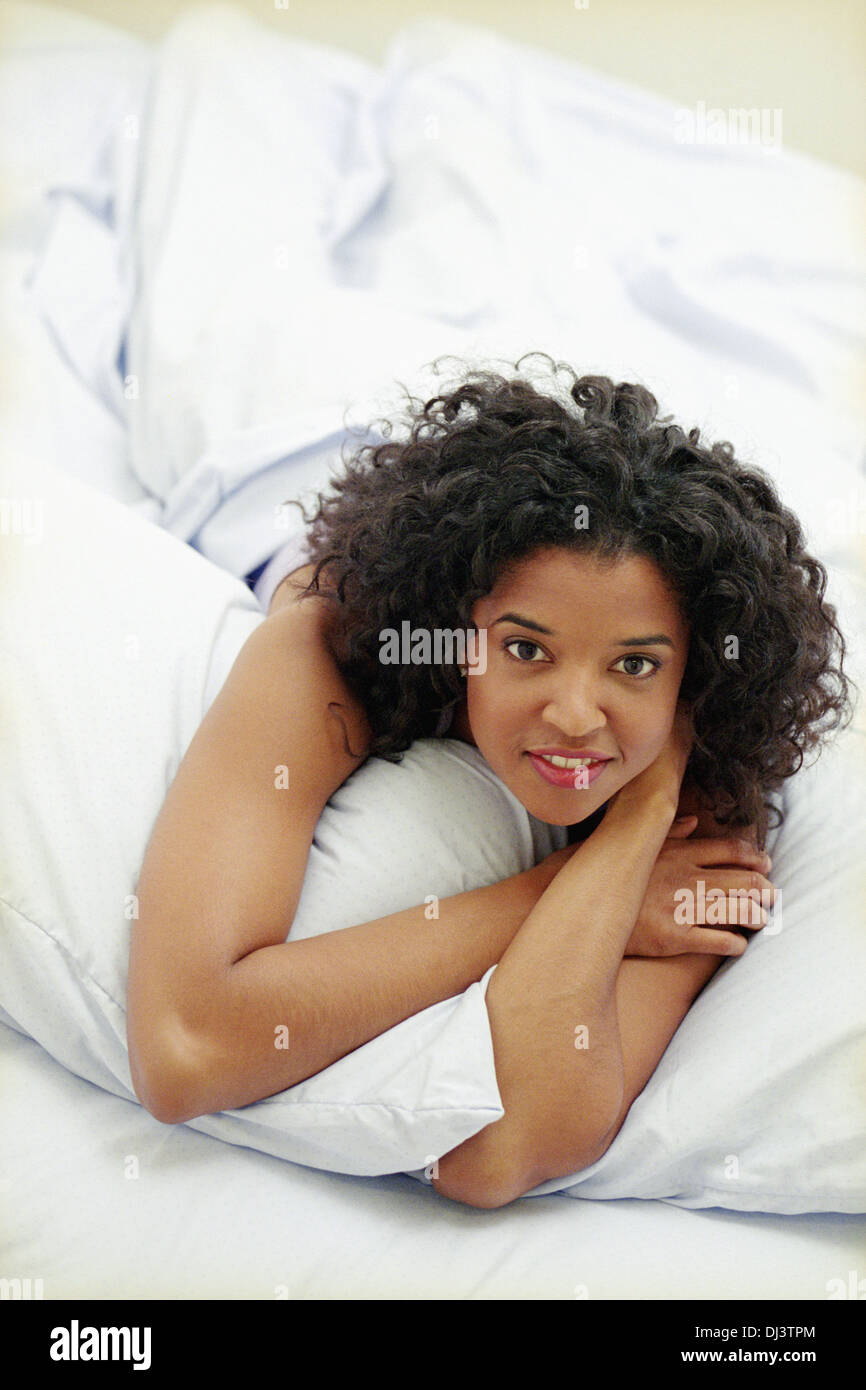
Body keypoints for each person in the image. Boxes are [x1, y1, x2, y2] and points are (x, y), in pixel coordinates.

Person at [126, 355, 854, 1208]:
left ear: (693, 680)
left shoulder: (707, 788)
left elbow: (499, 1155)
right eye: (525, 649)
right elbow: (183, 1053)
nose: (578, 714)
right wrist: (567, 889)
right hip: (260, 470)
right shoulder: (329, 647)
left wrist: (643, 814)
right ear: (453, 628)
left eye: (634, 664)